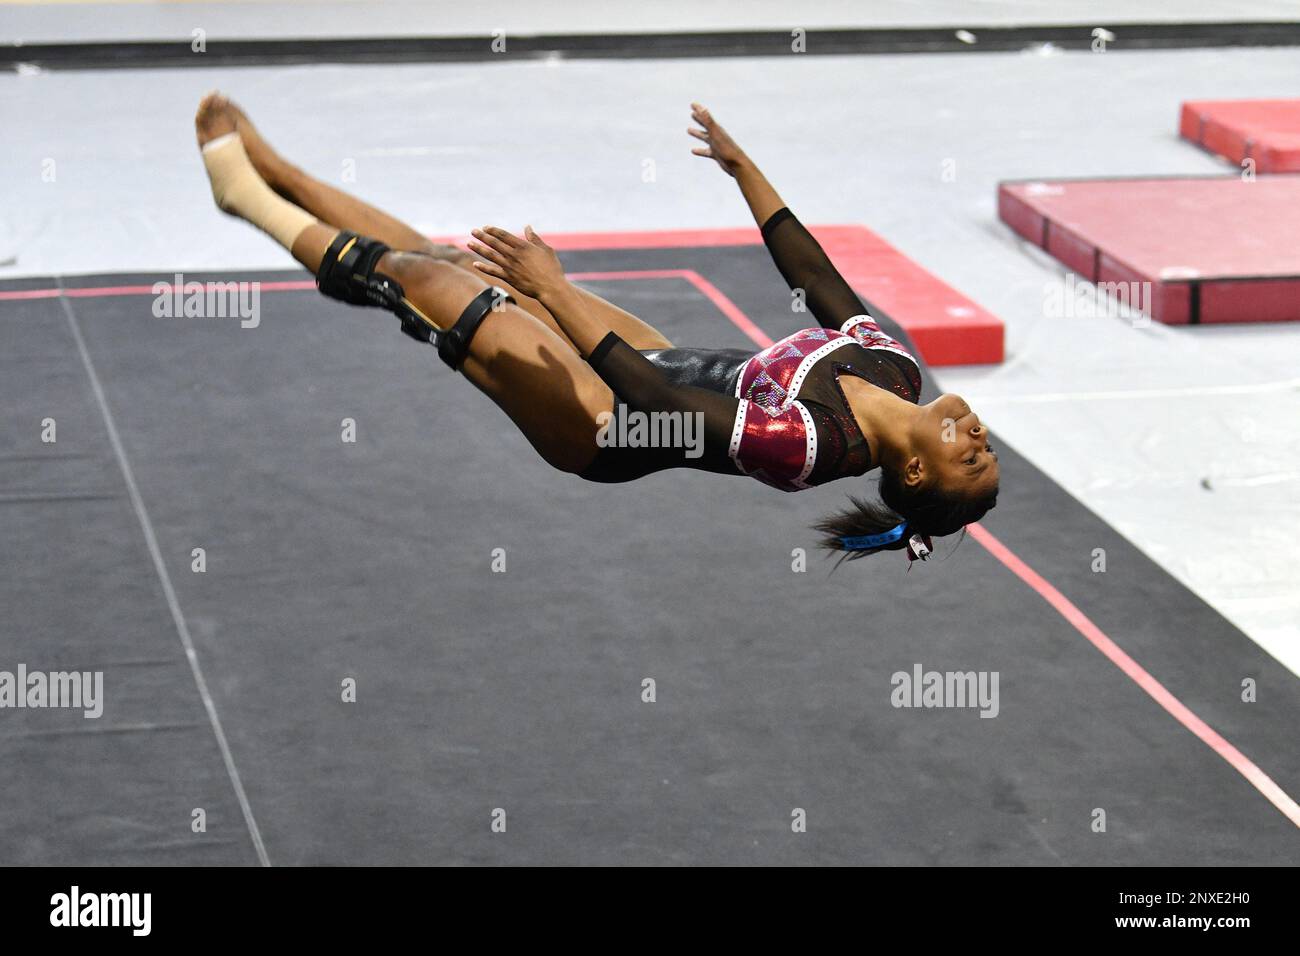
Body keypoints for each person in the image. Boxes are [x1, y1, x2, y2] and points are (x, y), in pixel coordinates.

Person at [196, 94, 996, 564]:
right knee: (444, 265)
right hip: (653, 359)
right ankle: (282, 171)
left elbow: (655, 402)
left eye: (971, 463)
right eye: (987, 451)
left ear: (918, 475)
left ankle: (249, 198)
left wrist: (553, 291)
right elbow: (815, 277)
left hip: (607, 424)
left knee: (440, 288)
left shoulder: (809, 446)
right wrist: (744, 169)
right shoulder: (896, 371)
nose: (980, 441)